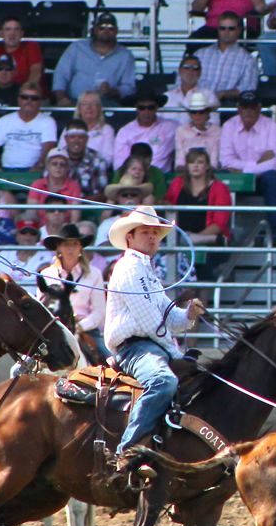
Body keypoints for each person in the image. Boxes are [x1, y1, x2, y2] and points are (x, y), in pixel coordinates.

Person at [103, 205, 205, 476]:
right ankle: (128, 451)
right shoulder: (128, 269)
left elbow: (168, 317)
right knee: (163, 381)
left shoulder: (146, 271)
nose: (152, 238)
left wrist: (188, 315)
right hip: (134, 347)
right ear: (130, 238)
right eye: (145, 232)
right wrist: (175, 353)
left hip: (149, 344)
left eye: (155, 233)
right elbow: (150, 322)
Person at [220, 91, 276, 244]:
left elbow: (275, 163)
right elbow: (225, 161)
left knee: (272, 178)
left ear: (259, 108)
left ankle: (275, 236)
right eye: (245, 107)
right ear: (239, 109)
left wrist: (245, 170)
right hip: (239, 178)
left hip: (262, 179)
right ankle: (222, 234)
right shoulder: (229, 126)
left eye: (252, 107)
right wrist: (258, 164)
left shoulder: (272, 126)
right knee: (222, 176)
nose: (248, 111)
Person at [39, 223, 107, 361]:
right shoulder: (46, 274)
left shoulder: (94, 274)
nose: (70, 248)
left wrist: (79, 326)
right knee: (19, 368)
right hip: (54, 331)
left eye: (75, 244)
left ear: (80, 247)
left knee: (112, 361)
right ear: (58, 248)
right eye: (65, 244)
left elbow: (99, 311)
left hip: (86, 329)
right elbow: (41, 308)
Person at [164, 148, 233, 282]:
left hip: (208, 241)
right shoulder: (178, 183)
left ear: (207, 166)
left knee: (202, 263)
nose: (195, 166)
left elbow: (219, 224)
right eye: (191, 162)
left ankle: (200, 302)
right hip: (178, 236)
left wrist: (197, 238)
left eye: (200, 162)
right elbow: (168, 207)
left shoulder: (220, 188)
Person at [52, 12, 137, 106]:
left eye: (111, 28)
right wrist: (61, 98)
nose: (106, 31)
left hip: (106, 103)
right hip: (75, 101)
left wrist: (112, 91)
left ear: (116, 31)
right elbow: (61, 74)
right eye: (102, 28)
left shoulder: (125, 55)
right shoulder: (77, 47)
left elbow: (129, 86)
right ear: (94, 30)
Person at [0, 83, 57, 173]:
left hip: (34, 172)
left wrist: (39, 166)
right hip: (6, 172)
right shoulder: (4, 120)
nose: (29, 101)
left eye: (34, 98)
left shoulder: (48, 121)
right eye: (25, 97)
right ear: (18, 99)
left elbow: (48, 150)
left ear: (40, 101)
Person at [195, 12, 260, 104]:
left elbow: (248, 88)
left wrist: (224, 94)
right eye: (222, 28)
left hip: (224, 105)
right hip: (195, 103)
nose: (226, 32)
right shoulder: (200, 54)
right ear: (218, 30)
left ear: (239, 30)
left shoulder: (247, 60)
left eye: (231, 29)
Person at [114, 89, 178, 171]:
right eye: (142, 108)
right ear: (136, 108)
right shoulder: (125, 132)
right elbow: (119, 164)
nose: (146, 111)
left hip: (161, 177)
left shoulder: (171, 127)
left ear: (157, 108)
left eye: (151, 107)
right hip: (134, 177)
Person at [27, 149, 82, 224]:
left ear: (67, 168)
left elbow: (75, 216)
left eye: (62, 164)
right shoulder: (37, 184)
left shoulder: (74, 186)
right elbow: (31, 213)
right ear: (48, 166)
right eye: (54, 164)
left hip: (65, 228)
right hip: (41, 228)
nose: (58, 167)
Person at [162, 56, 220, 127]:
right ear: (180, 71)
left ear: (200, 73)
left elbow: (214, 125)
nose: (190, 71)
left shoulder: (208, 95)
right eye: (186, 67)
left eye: (195, 68)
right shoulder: (167, 96)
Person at [59, 120, 111, 198]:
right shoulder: (56, 158)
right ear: (66, 139)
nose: (76, 141)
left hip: (90, 207)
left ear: (87, 139)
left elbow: (102, 193)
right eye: (72, 137)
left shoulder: (98, 159)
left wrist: (79, 204)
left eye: (80, 137)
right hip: (60, 206)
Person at [95, 178, 151, 246]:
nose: (129, 197)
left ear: (140, 198)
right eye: (125, 195)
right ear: (118, 199)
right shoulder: (107, 223)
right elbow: (101, 249)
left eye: (133, 194)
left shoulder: (149, 221)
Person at [173, 93, 223, 169]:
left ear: (208, 113)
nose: (197, 115)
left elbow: (214, 163)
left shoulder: (218, 131)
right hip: (186, 174)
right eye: (194, 112)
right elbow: (180, 162)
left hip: (210, 174)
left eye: (201, 112)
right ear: (190, 114)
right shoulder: (181, 131)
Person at [74, 90, 116, 159]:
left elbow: (108, 157)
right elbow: (61, 153)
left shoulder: (107, 130)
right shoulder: (69, 128)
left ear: (99, 108)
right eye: (84, 104)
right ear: (79, 109)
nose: (89, 107)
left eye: (93, 103)